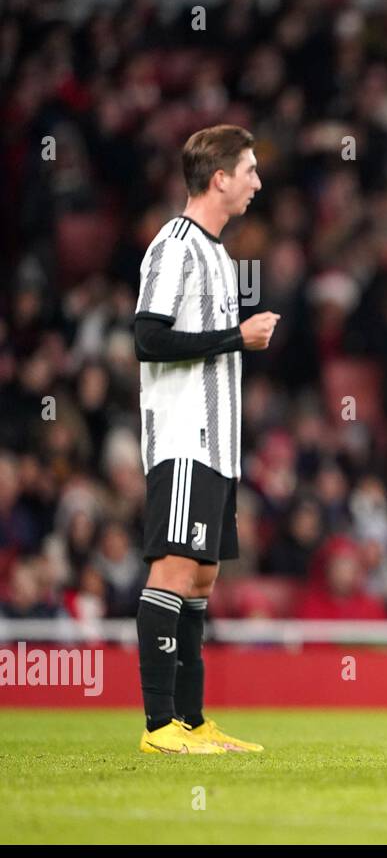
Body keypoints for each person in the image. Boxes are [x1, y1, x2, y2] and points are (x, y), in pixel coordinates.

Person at [133, 124, 279, 754]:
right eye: (248, 169)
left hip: (219, 447)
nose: (257, 181)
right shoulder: (176, 244)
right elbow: (148, 336)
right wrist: (235, 338)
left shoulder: (219, 254)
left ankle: (191, 722)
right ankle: (159, 726)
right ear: (219, 177)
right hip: (183, 438)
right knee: (171, 570)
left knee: (200, 582)